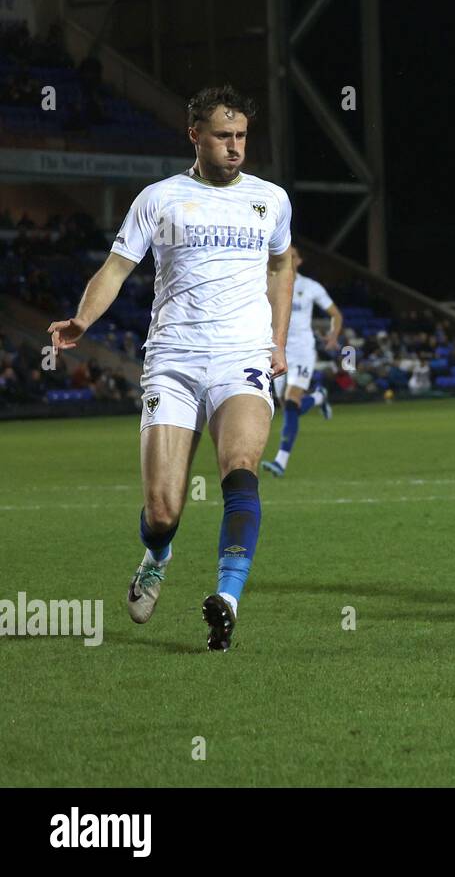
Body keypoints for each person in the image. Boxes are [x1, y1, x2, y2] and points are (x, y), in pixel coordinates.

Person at [47, 85, 294, 651]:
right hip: (174, 361)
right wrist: (84, 319)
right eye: (223, 136)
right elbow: (115, 268)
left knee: (239, 465)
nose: (235, 148)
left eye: (242, 137)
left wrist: (277, 342)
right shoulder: (160, 198)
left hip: (243, 360)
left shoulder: (271, 199)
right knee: (162, 511)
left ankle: (226, 599)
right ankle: (157, 554)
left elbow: (281, 265)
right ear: (195, 136)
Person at [261, 245, 342, 476]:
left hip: (304, 351)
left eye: (292, 255)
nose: (287, 258)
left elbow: (335, 314)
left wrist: (333, 335)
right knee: (288, 407)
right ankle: (318, 396)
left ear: (299, 261)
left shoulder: (310, 287)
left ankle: (280, 461)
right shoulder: (268, 282)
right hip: (277, 350)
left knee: (291, 401)